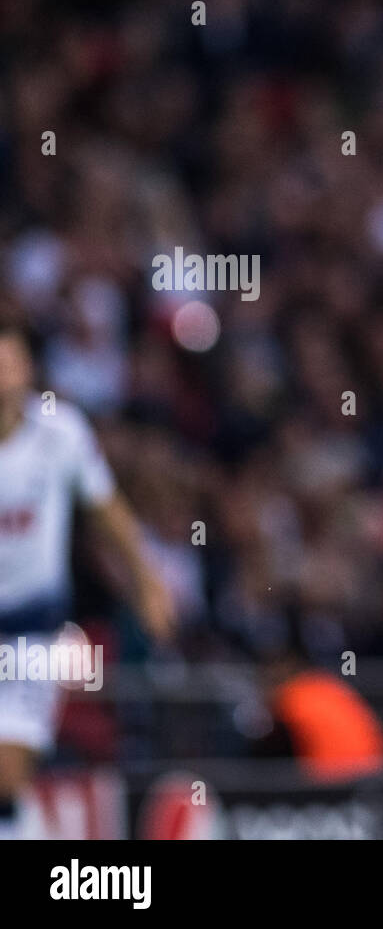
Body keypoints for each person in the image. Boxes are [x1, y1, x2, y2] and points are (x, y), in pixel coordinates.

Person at [0, 316, 175, 839]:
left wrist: (148, 582)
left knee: (7, 770)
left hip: (33, 634)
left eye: (9, 362)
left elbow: (107, 510)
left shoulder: (61, 433)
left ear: (28, 368)